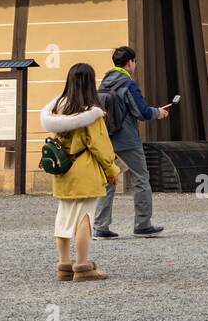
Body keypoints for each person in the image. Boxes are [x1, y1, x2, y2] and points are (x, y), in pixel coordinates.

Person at [41, 64, 118, 282]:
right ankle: (83, 266)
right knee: (85, 217)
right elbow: (100, 146)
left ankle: (65, 264)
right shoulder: (91, 114)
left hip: (63, 171)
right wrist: (112, 170)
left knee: (63, 217)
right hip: (85, 171)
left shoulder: (58, 109)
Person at [93, 46, 170, 239]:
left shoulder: (104, 83)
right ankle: (143, 225)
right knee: (141, 179)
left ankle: (101, 227)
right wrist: (158, 112)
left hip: (106, 139)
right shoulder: (128, 84)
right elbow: (142, 112)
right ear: (130, 62)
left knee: (108, 181)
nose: (135, 65)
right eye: (134, 62)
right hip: (128, 141)